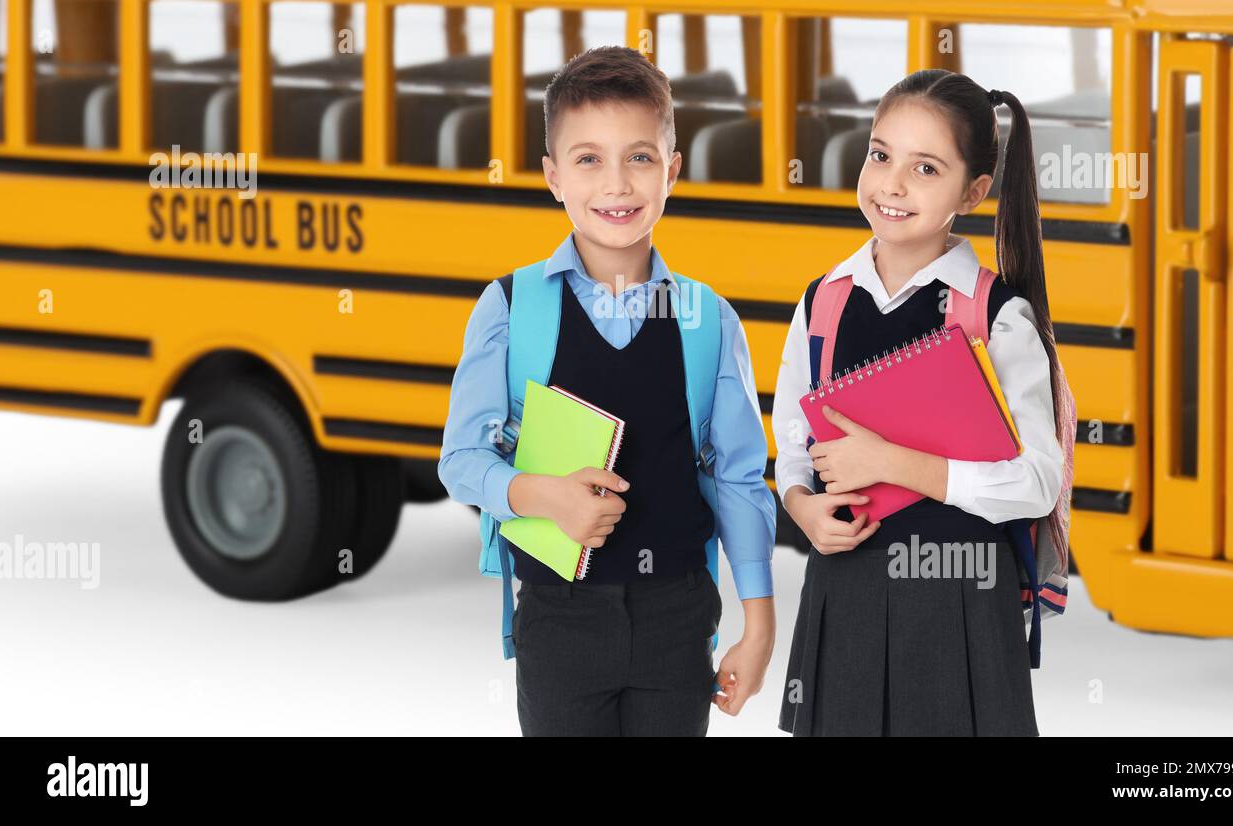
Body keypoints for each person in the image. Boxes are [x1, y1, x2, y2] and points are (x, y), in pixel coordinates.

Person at [438, 45, 776, 736]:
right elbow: (461, 461)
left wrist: (759, 622)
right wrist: (544, 496)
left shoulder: (707, 319)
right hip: (558, 618)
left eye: (640, 157)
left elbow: (739, 477)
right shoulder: (511, 307)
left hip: (679, 618)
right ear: (553, 176)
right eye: (589, 159)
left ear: (672, 170)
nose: (616, 183)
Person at [772, 69, 1066, 736]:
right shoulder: (824, 300)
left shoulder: (996, 315)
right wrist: (801, 506)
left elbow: (1040, 480)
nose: (892, 184)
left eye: (925, 168)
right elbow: (793, 438)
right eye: (880, 155)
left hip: (959, 606)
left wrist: (896, 464)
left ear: (974, 191)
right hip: (844, 591)